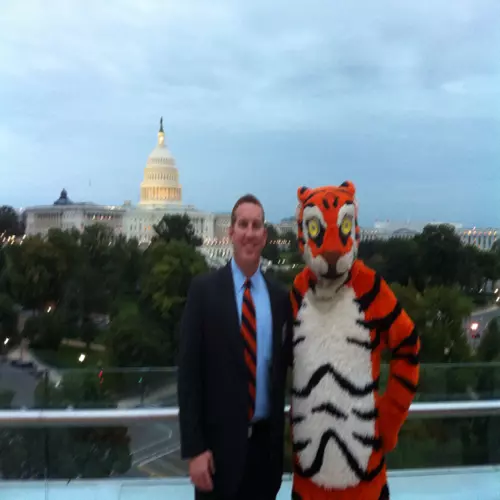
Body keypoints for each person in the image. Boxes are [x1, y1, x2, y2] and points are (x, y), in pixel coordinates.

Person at [177, 194, 293, 500]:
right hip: (216, 455)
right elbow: (188, 376)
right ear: (231, 232)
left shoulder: (280, 298)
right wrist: (195, 450)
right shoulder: (204, 292)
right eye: (243, 224)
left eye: (256, 225)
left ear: (265, 236)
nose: (249, 232)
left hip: (265, 455)